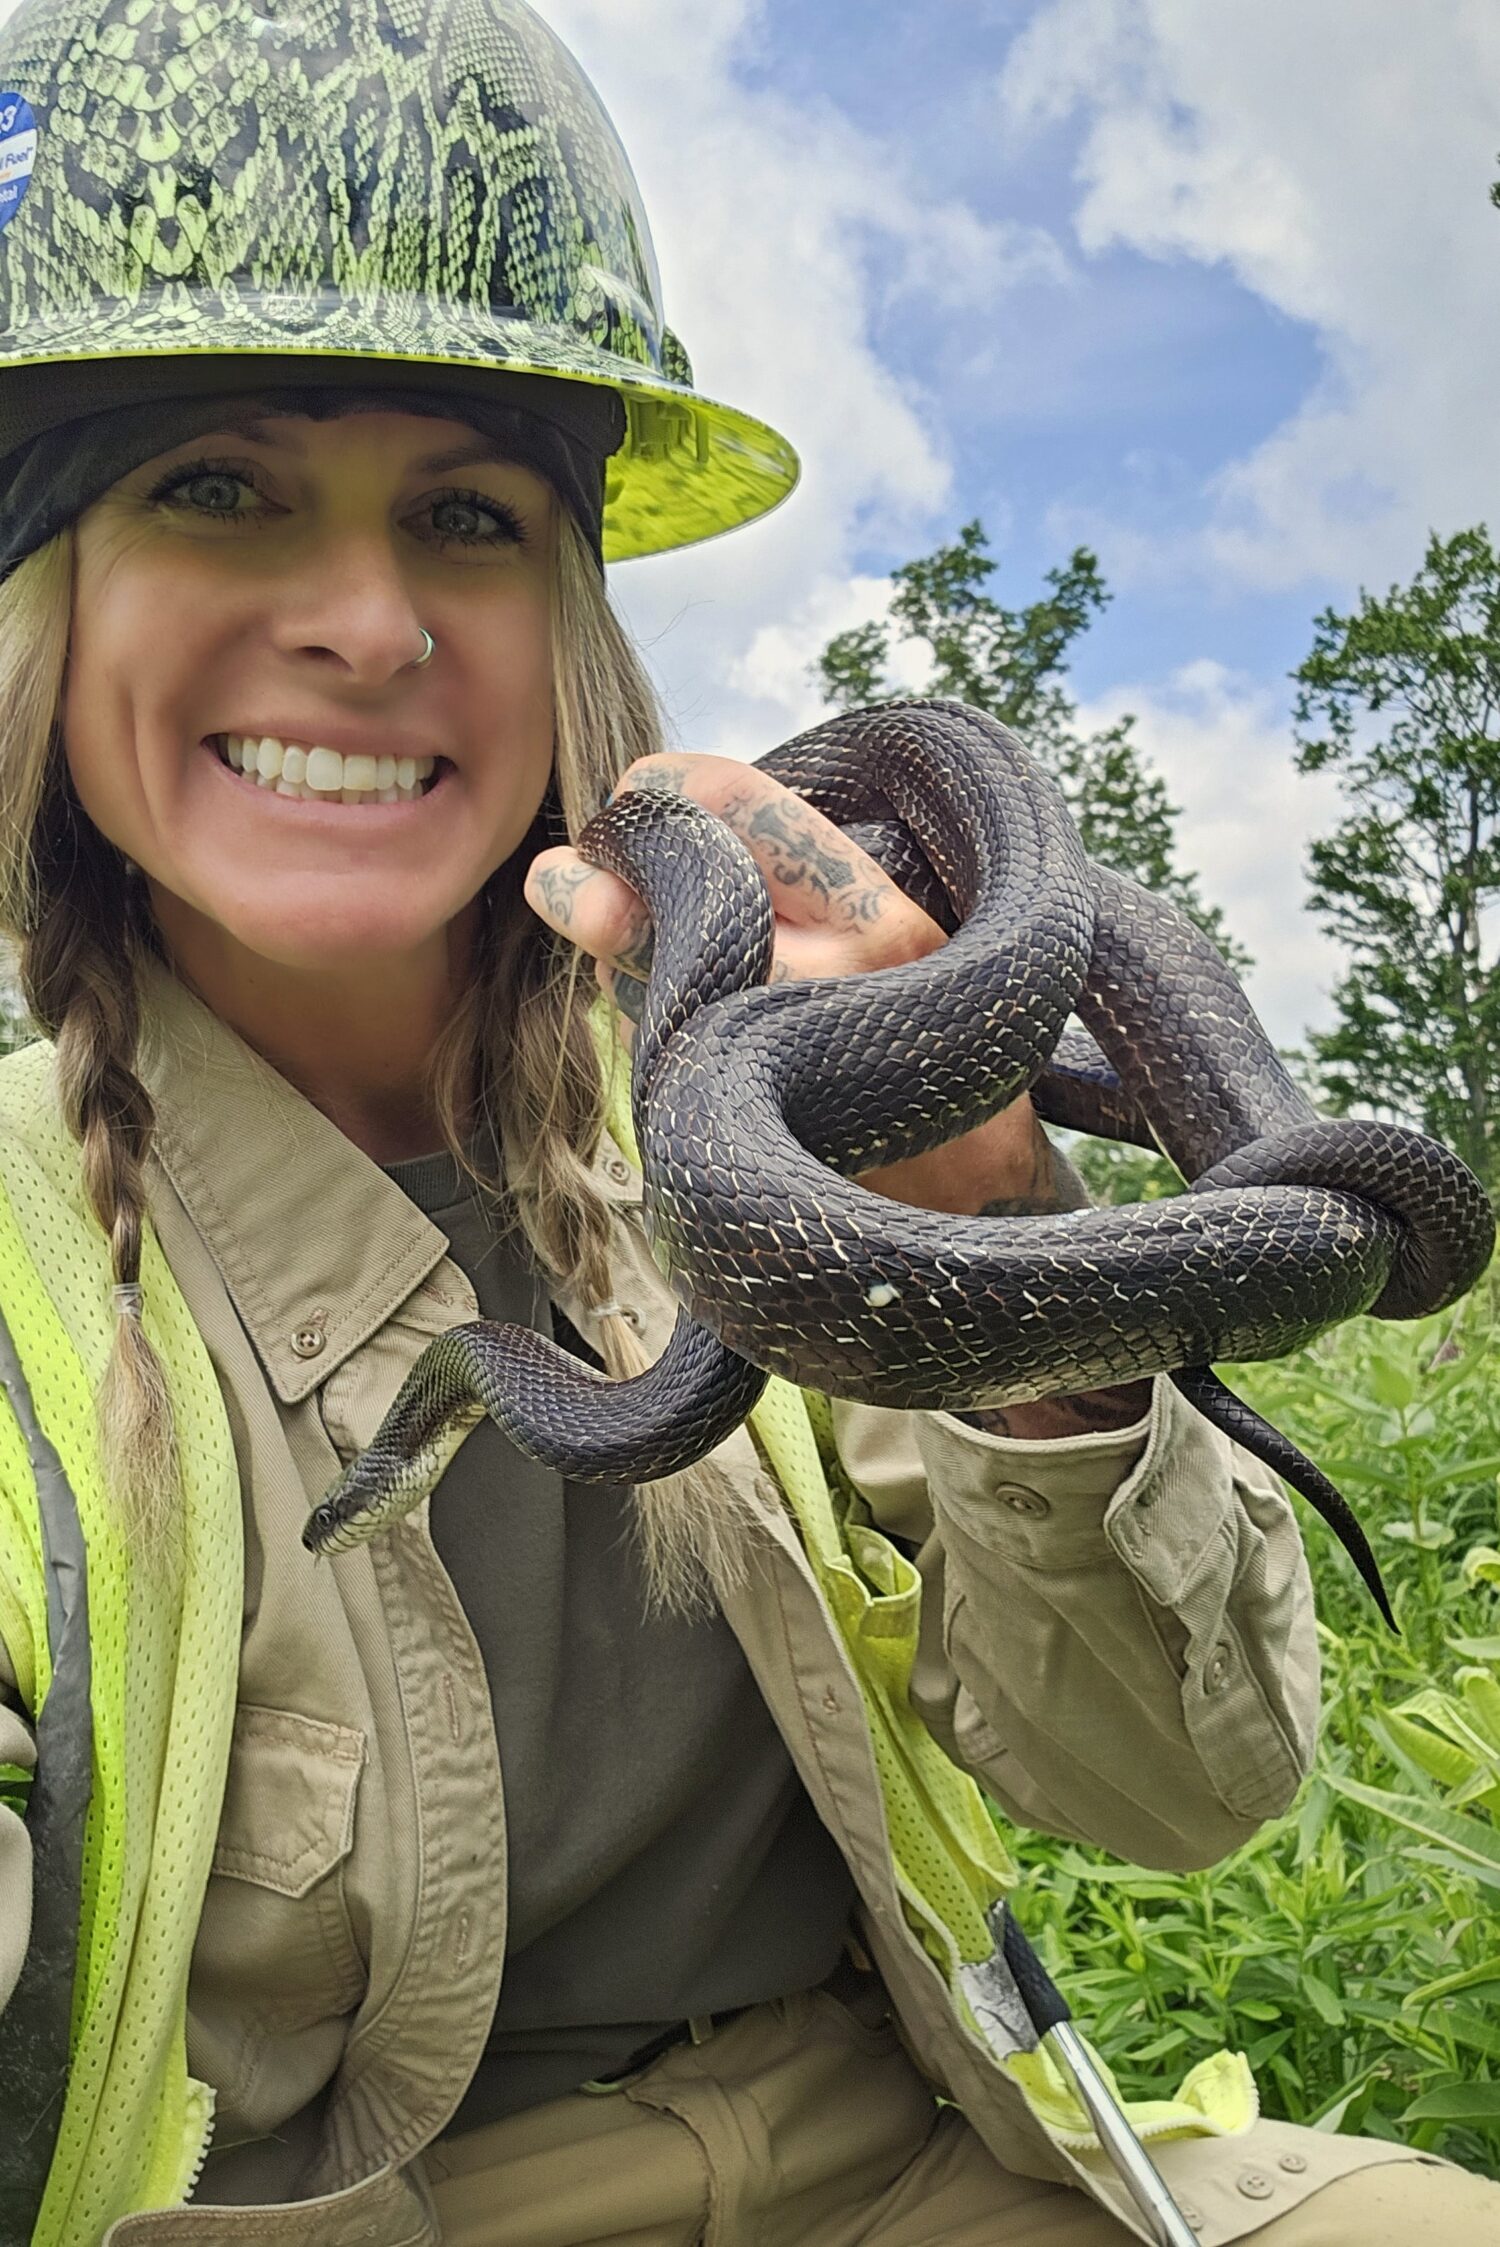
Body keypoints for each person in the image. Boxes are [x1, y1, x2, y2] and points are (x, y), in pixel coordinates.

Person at [0, 3, 1494, 2244]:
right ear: (48, 596)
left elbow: (1185, 1797)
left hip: (908, 2145)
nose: (367, 620)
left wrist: (989, 1195)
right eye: (212, 484)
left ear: (569, 614)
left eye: (471, 516)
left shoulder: (726, 1118)